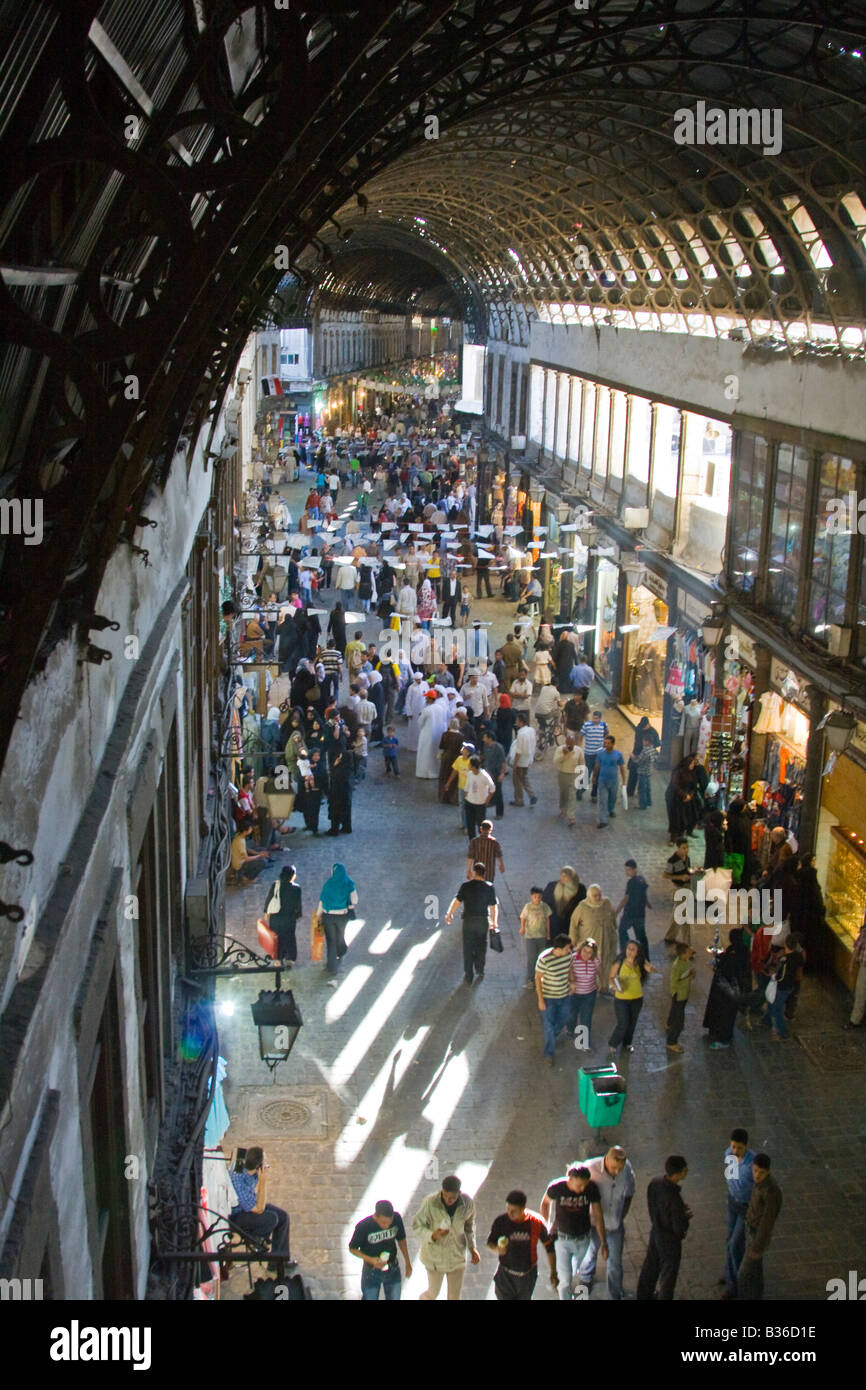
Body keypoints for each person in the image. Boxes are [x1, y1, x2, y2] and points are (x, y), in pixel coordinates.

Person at [541, 1165, 606, 1301]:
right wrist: (547, 1225)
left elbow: (598, 1214)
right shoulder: (557, 1188)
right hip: (562, 1240)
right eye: (579, 1185)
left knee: (578, 1274)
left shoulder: (591, 1188)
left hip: (584, 1239)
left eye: (584, 1185)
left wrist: (603, 1241)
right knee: (565, 1279)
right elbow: (545, 1203)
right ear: (570, 1179)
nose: (582, 1189)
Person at [579, 1146, 636, 1299]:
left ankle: (614, 1294)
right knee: (589, 1253)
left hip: (614, 1223)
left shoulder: (627, 1169)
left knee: (615, 1262)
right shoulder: (590, 1167)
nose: (617, 1172)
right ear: (607, 1159)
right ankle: (584, 1281)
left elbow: (630, 1192)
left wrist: (622, 1216)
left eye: (620, 1168)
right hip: (592, 1223)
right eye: (613, 1167)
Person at [413, 1175, 481, 1301]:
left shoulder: (467, 1204)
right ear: (442, 1191)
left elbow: (469, 1226)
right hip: (435, 1258)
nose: (448, 1200)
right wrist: (432, 1235)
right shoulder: (430, 1202)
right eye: (445, 1195)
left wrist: (472, 1247)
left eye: (452, 1198)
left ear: (459, 1193)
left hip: (457, 1257)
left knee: (454, 1297)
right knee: (433, 1293)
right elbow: (417, 1225)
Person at [636, 1157, 691, 1301]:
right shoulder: (674, 1198)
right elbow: (679, 1226)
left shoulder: (656, 1183)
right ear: (677, 1174)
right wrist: (685, 1218)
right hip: (669, 1240)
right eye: (685, 1170)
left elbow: (653, 1203)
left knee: (651, 1265)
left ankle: (644, 1295)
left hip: (656, 1231)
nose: (687, 1172)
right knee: (668, 1275)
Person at [486, 1191, 557, 1301]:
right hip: (505, 1275)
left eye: (514, 1211)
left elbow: (549, 1247)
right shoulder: (501, 1221)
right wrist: (497, 1249)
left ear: (523, 1208)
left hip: (527, 1276)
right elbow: (490, 1242)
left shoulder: (536, 1222)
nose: (510, 1213)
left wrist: (553, 1271)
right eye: (508, 1209)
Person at [228, 1146, 290, 1269]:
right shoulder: (239, 1181)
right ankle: (256, 1240)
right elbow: (259, 1209)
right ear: (258, 1167)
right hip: (238, 1216)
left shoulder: (245, 1164)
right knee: (271, 1218)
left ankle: (278, 1262)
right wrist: (263, 1182)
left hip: (249, 1204)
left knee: (283, 1217)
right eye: (264, 1161)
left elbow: (238, 1151)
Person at [445, 862, 499, 985]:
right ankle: (480, 970)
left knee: (468, 948)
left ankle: (468, 975)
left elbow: (457, 901)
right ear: (484, 873)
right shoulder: (489, 887)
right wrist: (494, 922)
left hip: (469, 921)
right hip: (482, 921)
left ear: (474, 872)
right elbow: (493, 907)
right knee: (481, 946)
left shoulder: (465, 886)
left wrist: (449, 914)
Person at [737, 1153, 782, 1301]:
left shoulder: (771, 1192)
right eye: (755, 1170)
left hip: (757, 1235)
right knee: (755, 1270)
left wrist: (757, 1247)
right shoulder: (760, 1184)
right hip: (751, 1229)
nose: (757, 1175)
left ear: (768, 1171)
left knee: (743, 1274)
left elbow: (767, 1223)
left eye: (761, 1172)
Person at [349, 1200, 412, 1301]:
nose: (387, 1225)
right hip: (371, 1271)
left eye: (390, 1222)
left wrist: (408, 1262)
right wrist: (371, 1259)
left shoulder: (396, 1218)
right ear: (376, 1217)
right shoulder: (364, 1226)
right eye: (383, 1222)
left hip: (392, 1267)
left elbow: (401, 1240)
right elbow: (353, 1248)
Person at [720, 1127, 755, 1299]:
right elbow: (730, 1176)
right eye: (733, 1146)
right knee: (729, 1239)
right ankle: (728, 1273)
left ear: (746, 1147)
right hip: (733, 1202)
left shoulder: (752, 1164)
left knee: (735, 1244)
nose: (735, 1151)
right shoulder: (729, 1155)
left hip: (745, 1207)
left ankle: (734, 1285)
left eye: (739, 1148)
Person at [608, 942, 658, 1055]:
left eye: (633, 949)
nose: (630, 951)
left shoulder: (640, 963)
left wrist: (651, 968)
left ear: (638, 952)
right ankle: (613, 1043)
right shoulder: (619, 963)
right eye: (628, 948)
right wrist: (615, 987)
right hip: (621, 999)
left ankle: (627, 1043)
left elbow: (652, 970)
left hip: (637, 999)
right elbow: (611, 977)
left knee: (632, 1023)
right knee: (623, 1023)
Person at [535, 934, 574, 1066]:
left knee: (565, 1018)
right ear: (559, 948)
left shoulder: (568, 956)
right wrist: (540, 1000)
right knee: (549, 1026)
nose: (569, 951)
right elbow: (538, 979)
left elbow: (569, 969)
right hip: (549, 998)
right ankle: (549, 1053)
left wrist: (571, 982)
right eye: (567, 948)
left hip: (564, 995)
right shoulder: (544, 959)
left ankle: (551, 1037)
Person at [315, 863, 358, 982]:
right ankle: (341, 951)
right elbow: (355, 900)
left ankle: (332, 967)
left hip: (328, 916)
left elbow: (322, 901)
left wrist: (318, 915)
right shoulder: (348, 883)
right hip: (342, 916)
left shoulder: (328, 884)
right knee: (340, 935)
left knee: (330, 940)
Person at [569, 883, 617, 987]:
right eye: (595, 895)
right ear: (589, 896)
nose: (598, 897)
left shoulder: (606, 903)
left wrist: (613, 930)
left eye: (599, 895)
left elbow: (613, 916)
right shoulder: (582, 906)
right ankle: (589, 986)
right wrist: (573, 938)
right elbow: (573, 923)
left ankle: (604, 987)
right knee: (590, 964)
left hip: (605, 940)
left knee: (605, 962)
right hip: (589, 942)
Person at [264, 864, 303, 963]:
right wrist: (298, 915)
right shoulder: (296, 888)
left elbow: (269, 899)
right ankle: (290, 959)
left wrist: (266, 912)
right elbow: (298, 904)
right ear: (292, 876)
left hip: (275, 917)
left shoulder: (275, 885)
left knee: (277, 938)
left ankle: (278, 958)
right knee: (289, 937)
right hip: (289, 918)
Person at [616, 858, 652, 957]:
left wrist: (617, 911)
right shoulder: (642, 879)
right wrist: (648, 904)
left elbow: (625, 899)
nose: (626, 872)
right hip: (640, 914)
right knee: (641, 937)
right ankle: (645, 958)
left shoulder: (631, 883)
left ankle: (626, 952)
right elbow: (644, 895)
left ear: (634, 869)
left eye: (628, 870)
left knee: (622, 930)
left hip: (630, 914)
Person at [568, 938, 599, 1047]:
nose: (586, 954)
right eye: (584, 951)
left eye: (590, 952)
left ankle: (584, 1042)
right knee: (572, 1015)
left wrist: (597, 966)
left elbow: (599, 973)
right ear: (580, 949)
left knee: (586, 1018)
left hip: (589, 994)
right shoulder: (572, 959)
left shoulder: (595, 960)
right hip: (574, 994)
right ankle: (570, 1029)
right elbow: (566, 973)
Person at [519, 887, 552, 988]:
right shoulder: (528, 907)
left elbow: (547, 920)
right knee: (532, 958)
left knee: (541, 957)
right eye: (535, 897)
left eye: (539, 897)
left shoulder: (545, 907)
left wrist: (548, 933)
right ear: (531, 897)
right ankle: (531, 979)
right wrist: (522, 928)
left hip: (541, 935)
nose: (537, 899)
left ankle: (541, 978)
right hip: (530, 936)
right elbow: (523, 917)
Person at [665, 943, 696, 1052]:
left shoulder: (686, 962)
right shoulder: (677, 966)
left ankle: (669, 1024)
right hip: (679, 994)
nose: (690, 953)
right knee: (679, 1022)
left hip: (684, 993)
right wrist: (688, 976)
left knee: (675, 1011)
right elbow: (675, 981)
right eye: (688, 952)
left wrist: (690, 975)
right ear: (683, 954)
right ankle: (672, 1042)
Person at [594, 733, 626, 828]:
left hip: (613, 781)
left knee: (613, 797)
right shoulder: (600, 754)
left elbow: (622, 767)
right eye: (605, 743)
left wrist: (624, 780)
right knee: (603, 800)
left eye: (608, 743)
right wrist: (594, 776)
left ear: (613, 744)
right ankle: (603, 820)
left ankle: (611, 809)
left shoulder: (618, 754)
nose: (605, 745)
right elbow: (597, 766)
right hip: (602, 780)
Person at [543, 866, 585, 937]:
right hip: (553, 926)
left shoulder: (580, 889)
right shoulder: (552, 886)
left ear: (572, 877)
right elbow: (544, 903)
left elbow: (584, 907)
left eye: (565, 876)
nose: (562, 878)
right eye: (561, 876)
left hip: (570, 926)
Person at [553, 735, 584, 826]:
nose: (570, 745)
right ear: (566, 742)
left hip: (573, 775)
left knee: (572, 795)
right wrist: (564, 755)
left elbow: (582, 763)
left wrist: (582, 776)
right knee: (563, 793)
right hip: (562, 774)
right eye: (568, 743)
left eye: (572, 743)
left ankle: (571, 816)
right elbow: (555, 761)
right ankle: (563, 810)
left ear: (574, 743)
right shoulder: (560, 749)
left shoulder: (579, 751)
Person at [508, 712, 537, 806]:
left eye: (517, 720)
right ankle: (532, 795)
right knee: (524, 778)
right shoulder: (531, 730)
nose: (516, 722)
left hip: (520, 761)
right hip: (528, 759)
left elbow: (519, 751)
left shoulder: (521, 734)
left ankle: (519, 800)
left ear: (521, 722)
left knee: (517, 782)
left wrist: (515, 763)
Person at [626, 716, 660, 796]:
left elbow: (657, 743)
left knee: (643, 776)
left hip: (646, 755)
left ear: (648, 724)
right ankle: (630, 791)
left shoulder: (653, 732)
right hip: (637, 752)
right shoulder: (639, 728)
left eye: (644, 727)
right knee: (633, 773)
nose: (643, 728)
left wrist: (650, 748)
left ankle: (642, 794)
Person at [463, 756, 496, 839]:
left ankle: (482, 842)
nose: (468, 766)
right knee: (470, 824)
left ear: (473, 766)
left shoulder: (484, 775)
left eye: (469, 764)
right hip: (469, 802)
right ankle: (472, 843)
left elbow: (492, 788)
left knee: (481, 825)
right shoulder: (470, 774)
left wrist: (487, 800)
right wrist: (465, 797)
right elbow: (467, 787)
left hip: (480, 804)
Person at [580, 710, 608, 799]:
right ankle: (580, 791)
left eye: (596, 718)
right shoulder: (587, 725)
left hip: (599, 755)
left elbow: (606, 737)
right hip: (589, 754)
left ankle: (594, 795)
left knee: (597, 775)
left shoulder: (604, 725)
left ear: (600, 718)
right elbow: (581, 735)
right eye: (593, 718)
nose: (594, 720)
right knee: (587, 774)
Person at [845, 913, 866, 1029]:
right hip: (864, 968)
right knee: (861, 994)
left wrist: (851, 965)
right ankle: (855, 1020)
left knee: (861, 994)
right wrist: (851, 965)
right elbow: (856, 949)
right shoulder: (864, 933)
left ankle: (855, 1020)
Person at [481, 729, 507, 818]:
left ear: (490, 738)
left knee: (498, 793)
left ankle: (499, 813)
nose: (483, 739)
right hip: (487, 772)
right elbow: (484, 756)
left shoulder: (499, 748)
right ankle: (491, 802)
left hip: (496, 772)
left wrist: (502, 774)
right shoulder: (485, 746)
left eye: (484, 737)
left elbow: (503, 762)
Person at [326, 746, 353, 834]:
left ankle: (334, 830)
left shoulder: (340, 770)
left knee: (335, 811)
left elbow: (333, 775)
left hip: (337, 794)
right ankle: (346, 827)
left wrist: (334, 765)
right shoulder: (349, 769)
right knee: (346, 810)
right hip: (346, 794)